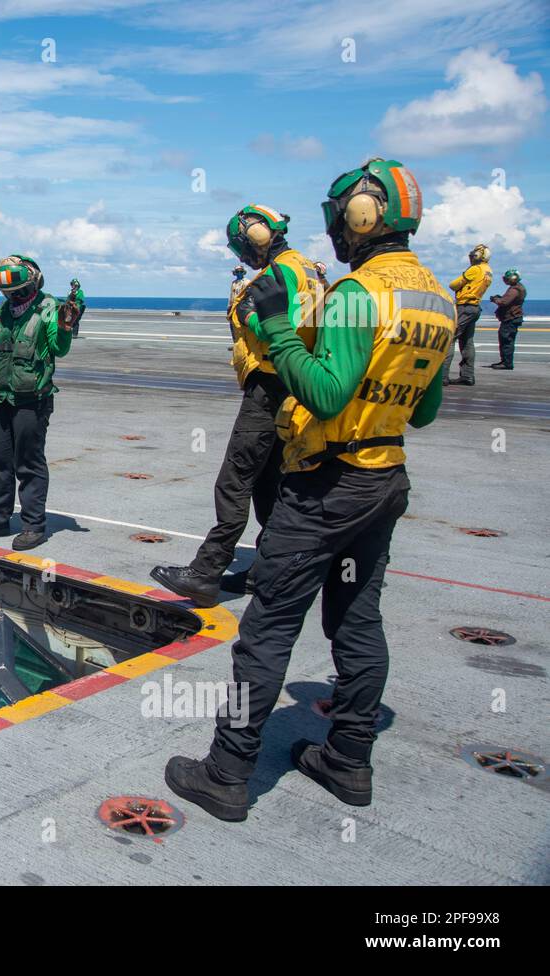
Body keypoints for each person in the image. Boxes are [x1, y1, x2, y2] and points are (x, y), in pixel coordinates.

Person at [165, 158, 454, 822]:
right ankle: (348, 760)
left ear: (362, 216)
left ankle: (226, 774)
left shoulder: (358, 294)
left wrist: (276, 329)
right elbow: (428, 410)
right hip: (385, 477)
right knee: (357, 622)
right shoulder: (436, 300)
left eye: (340, 218)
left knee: (267, 630)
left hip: (327, 484)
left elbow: (325, 393)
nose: (335, 232)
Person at [151, 205, 322, 607]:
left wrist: (248, 316)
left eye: (242, 246)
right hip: (296, 384)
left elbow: (284, 328)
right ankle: (269, 571)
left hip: (270, 383)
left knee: (235, 480)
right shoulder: (309, 269)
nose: (244, 255)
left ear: (257, 236)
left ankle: (206, 571)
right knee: (269, 485)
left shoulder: (280, 272)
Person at [0, 255, 79, 551]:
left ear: (33, 283)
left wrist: (65, 326)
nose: (14, 297)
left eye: (18, 292)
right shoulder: (5, 310)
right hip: (0, 398)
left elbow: (58, 349)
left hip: (32, 401)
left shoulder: (48, 309)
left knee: (29, 462)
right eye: (9, 293)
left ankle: (33, 525)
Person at [443, 243, 492, 386]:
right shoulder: (488, 270)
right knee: (467, 342)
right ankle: (467, 375)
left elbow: (453, 285)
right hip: (475, 307)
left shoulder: (475, 269)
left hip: (465, 307)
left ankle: (442, 376)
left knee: (450, 338)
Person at [488, 269, 526, 371]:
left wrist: (495, 299)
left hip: (511, 318)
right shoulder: (517, 288)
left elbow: (504, 302)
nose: (505, 280)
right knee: (506, 340)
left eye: (507, 278)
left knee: (506, 340)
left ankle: (507, 363)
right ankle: (505, 361)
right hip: (512, 318)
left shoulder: (515, 289)